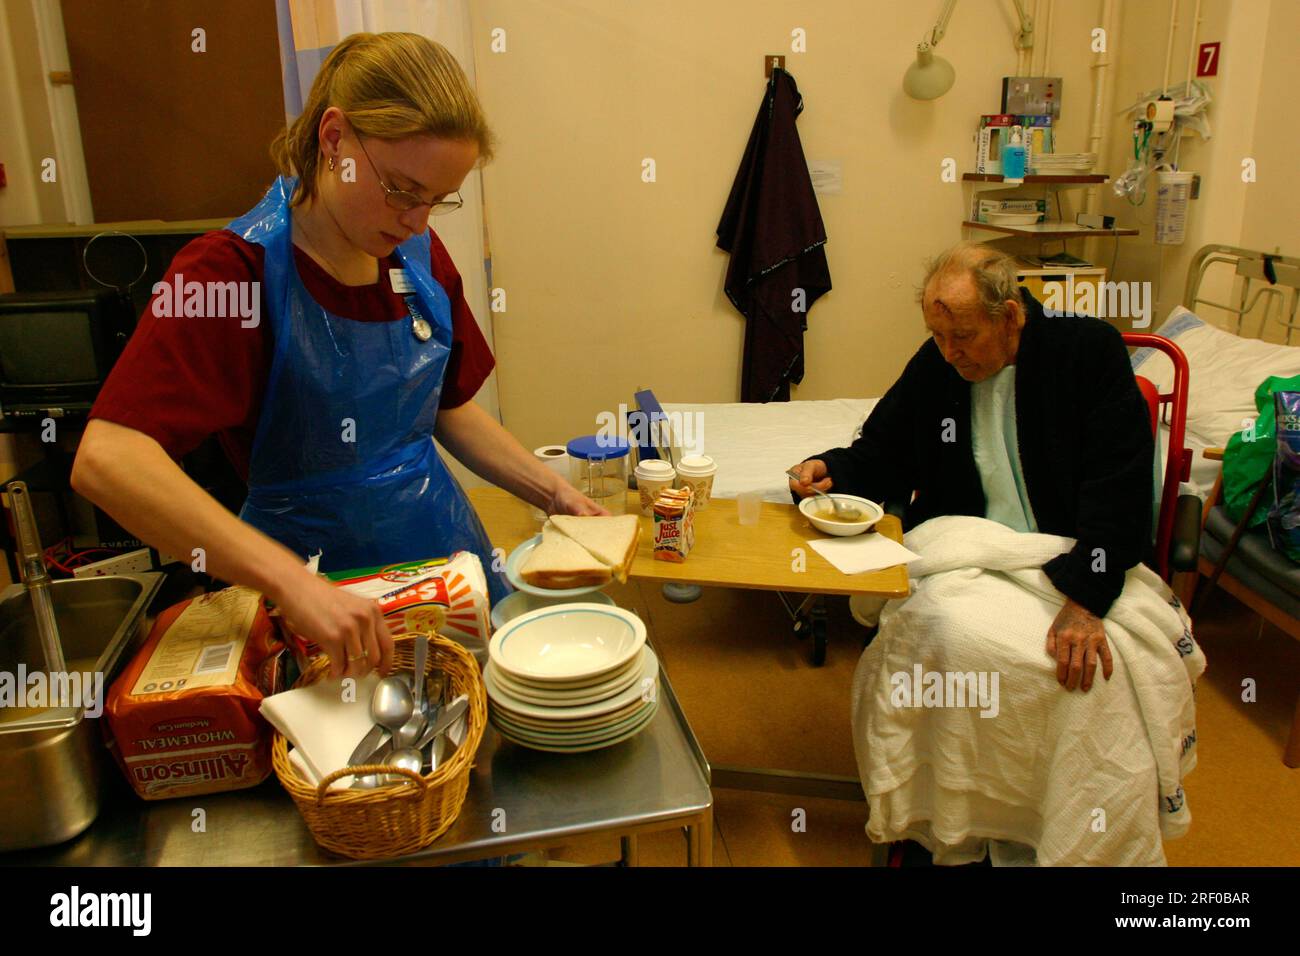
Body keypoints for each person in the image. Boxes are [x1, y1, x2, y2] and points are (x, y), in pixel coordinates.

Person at [72, 32, 604, 681]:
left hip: (444, 568)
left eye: (438, 199)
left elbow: (450, 407)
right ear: (334, 140)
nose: (417, 221)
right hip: (313, 600)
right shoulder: (229, 276)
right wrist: (295, 586)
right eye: (402, 189)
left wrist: (555, 494)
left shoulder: (417, 259)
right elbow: (107, 460)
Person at [788, 242, 1154, 692]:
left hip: (1067, 558)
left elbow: (1120, 483)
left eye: (962, 336)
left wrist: (1086, 600)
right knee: (936, 635)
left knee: (1077, 669)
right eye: (937, 335)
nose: (948, 352)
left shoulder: (1087, 352)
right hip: (968, 554)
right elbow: (886, 449)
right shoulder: (937, 366)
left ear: (1011, 317)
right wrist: (832, 470)